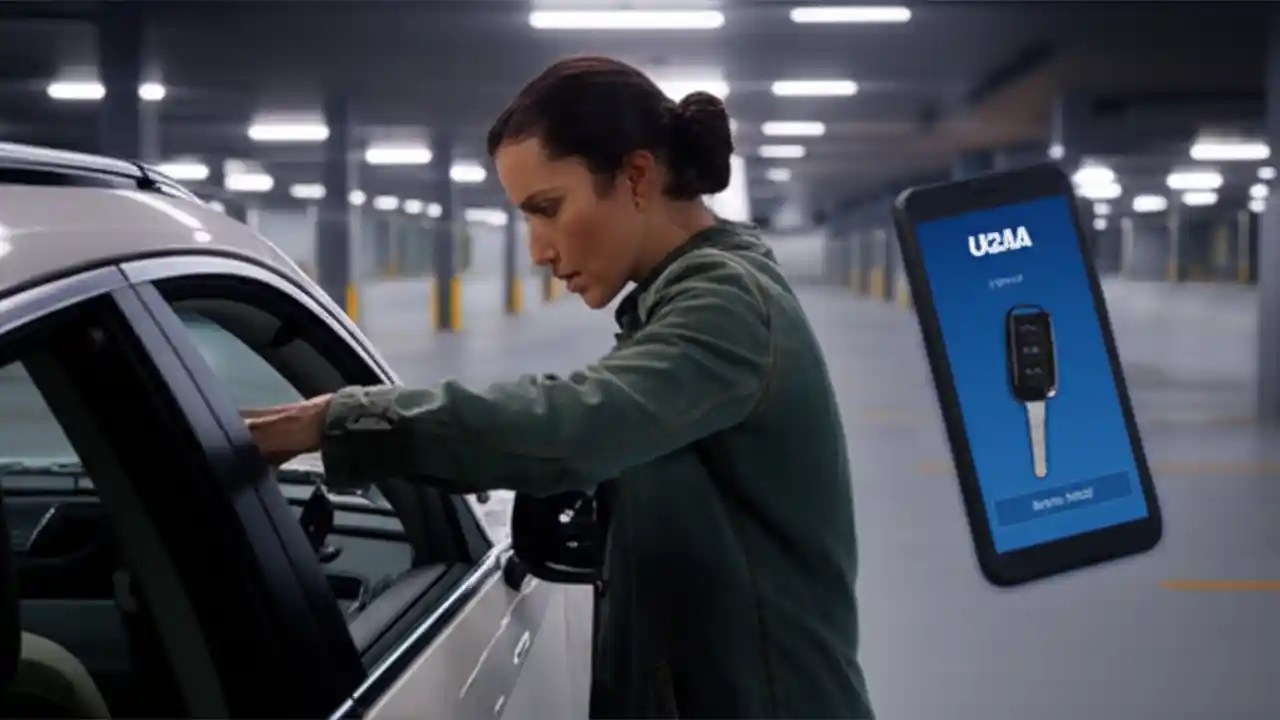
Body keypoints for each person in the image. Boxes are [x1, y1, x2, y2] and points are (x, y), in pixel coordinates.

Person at [243, 55, 874, 720]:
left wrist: (333, 420)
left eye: (547, 209)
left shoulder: (729, 302)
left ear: (636, 176)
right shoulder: (680, 301)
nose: (538, 250)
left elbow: (571, 425)